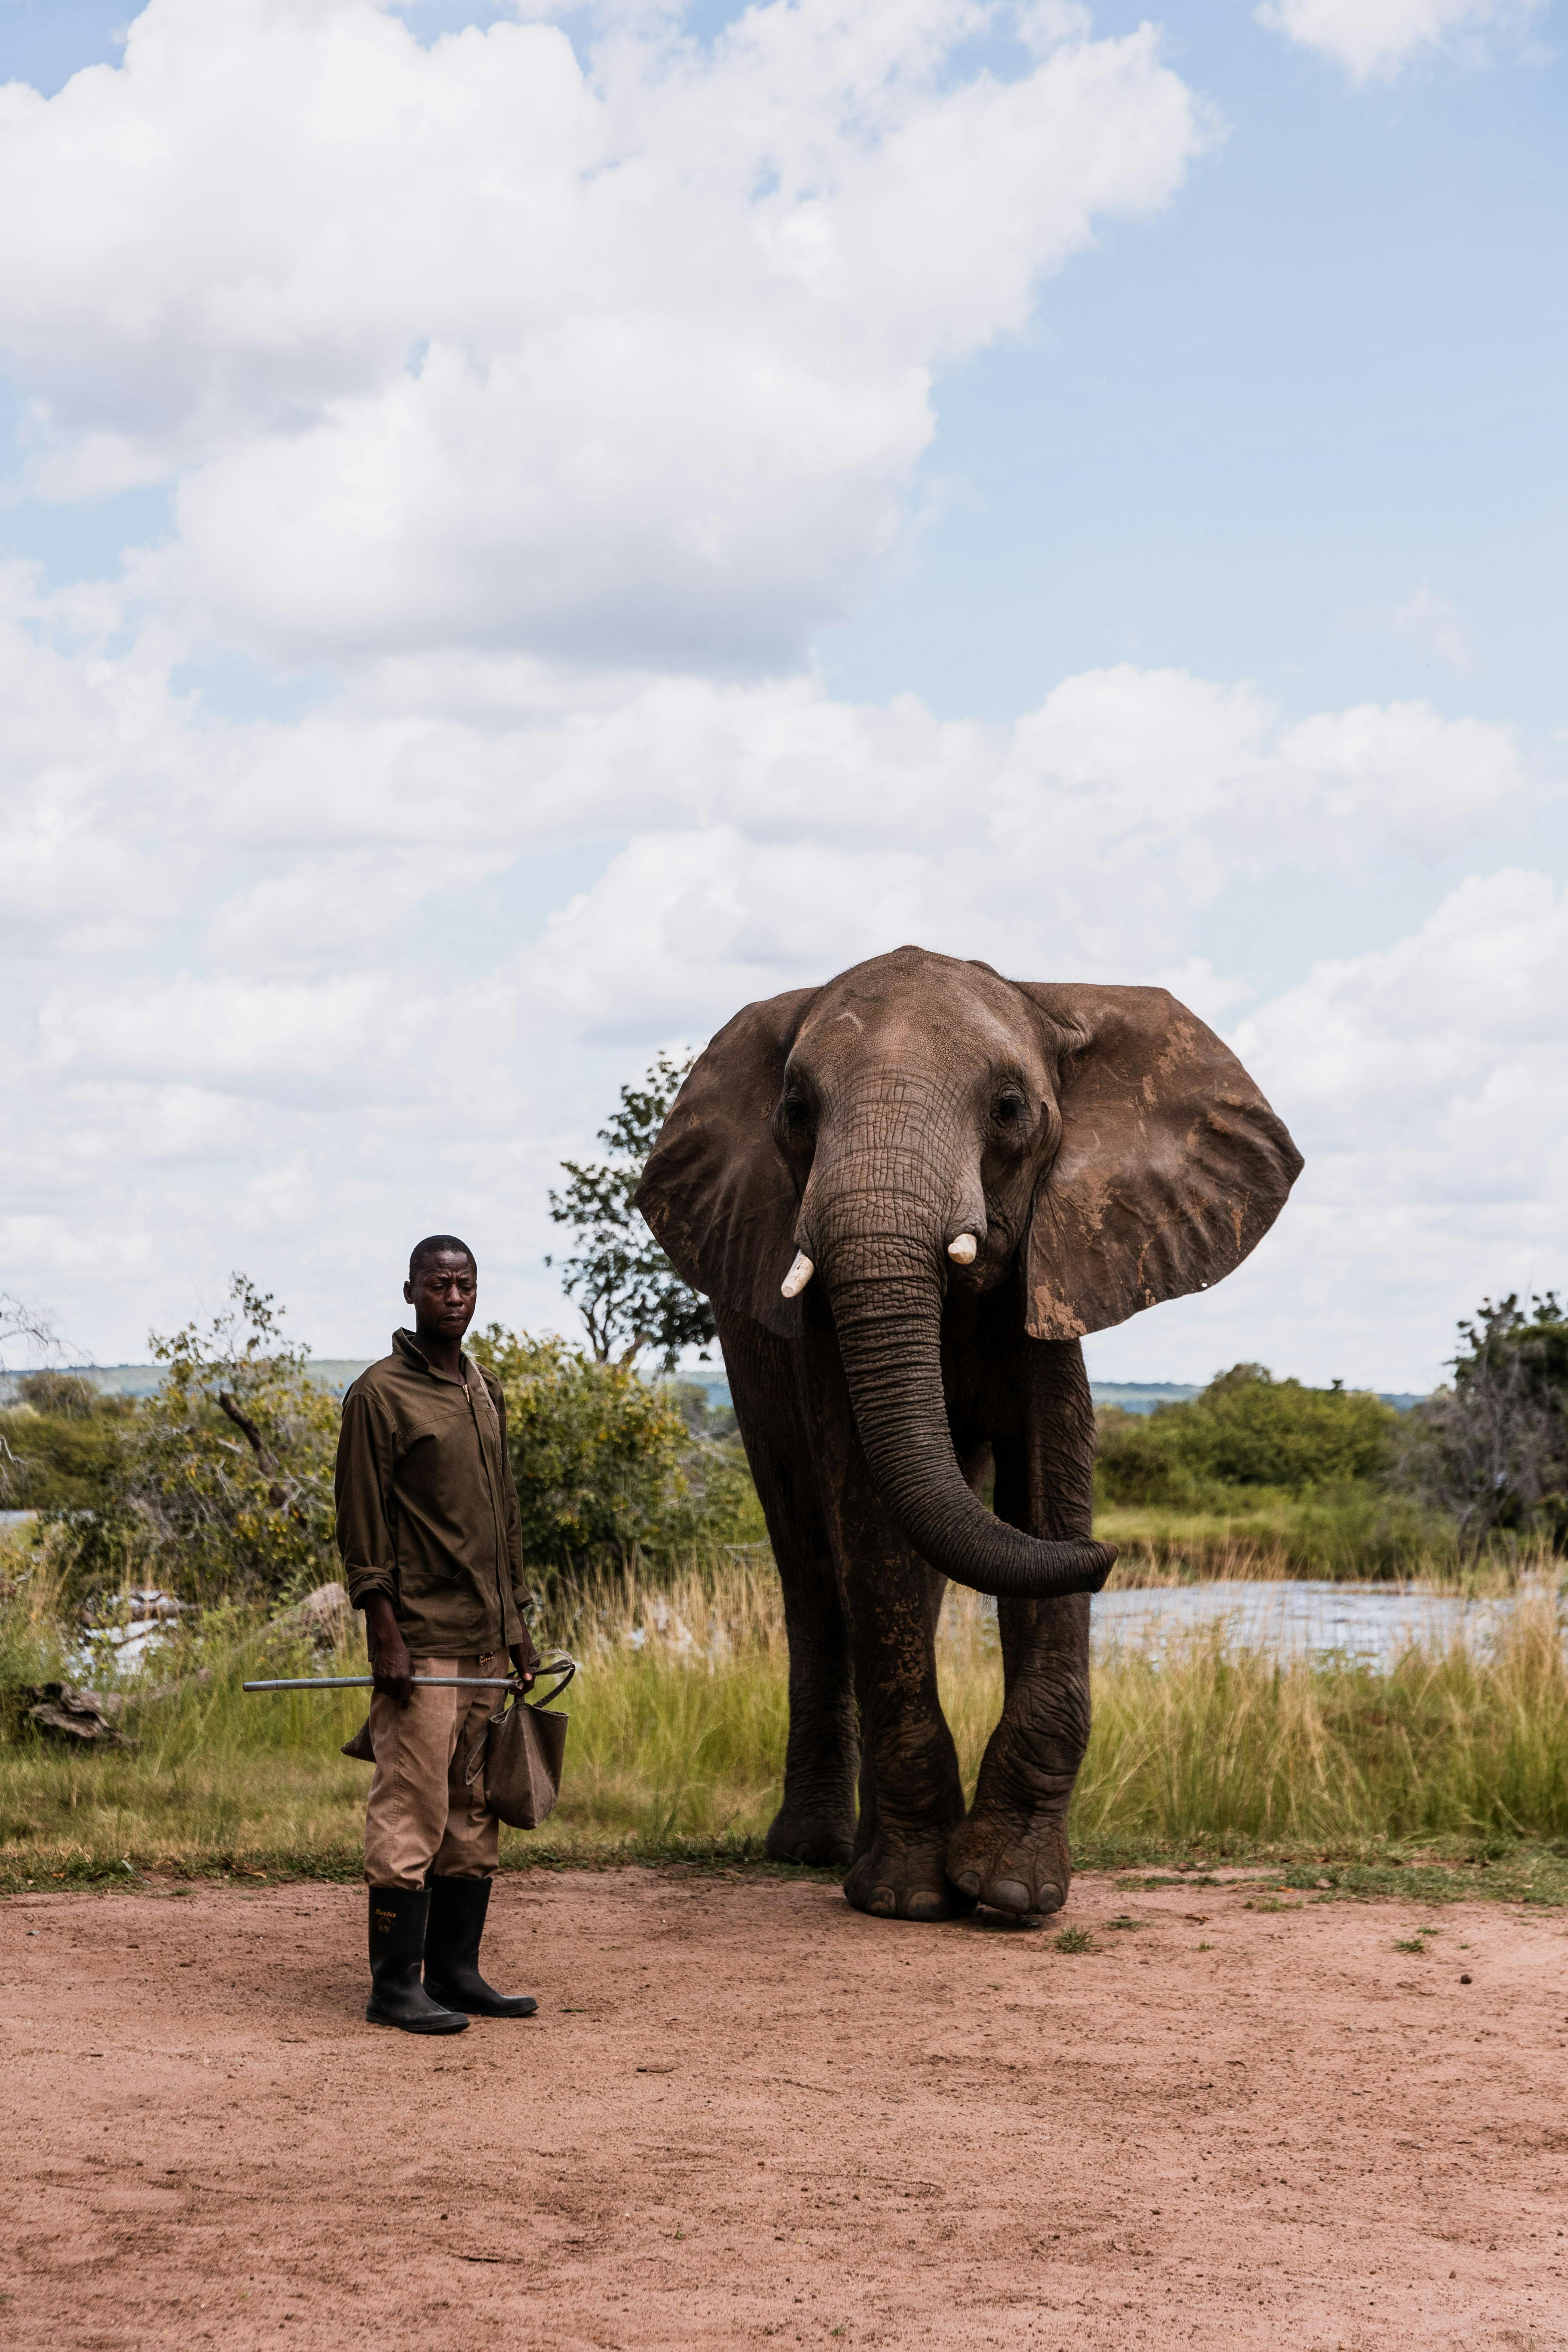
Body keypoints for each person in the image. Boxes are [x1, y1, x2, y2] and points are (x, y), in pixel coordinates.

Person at [334, 1235, 542, 2035]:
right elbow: (362, 1527)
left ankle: (456, 1974)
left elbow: (506, 1519)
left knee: (474, 1806)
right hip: (421, 1639)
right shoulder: (377, 1395)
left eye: (465, 1284)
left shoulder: (484, 1389)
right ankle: (395, 1989)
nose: (453, 1298)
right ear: (411, 1292)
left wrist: (519, 1627)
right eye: (438, 1284)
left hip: (489, 1640)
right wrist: (384, 1635)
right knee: (412, 1802)